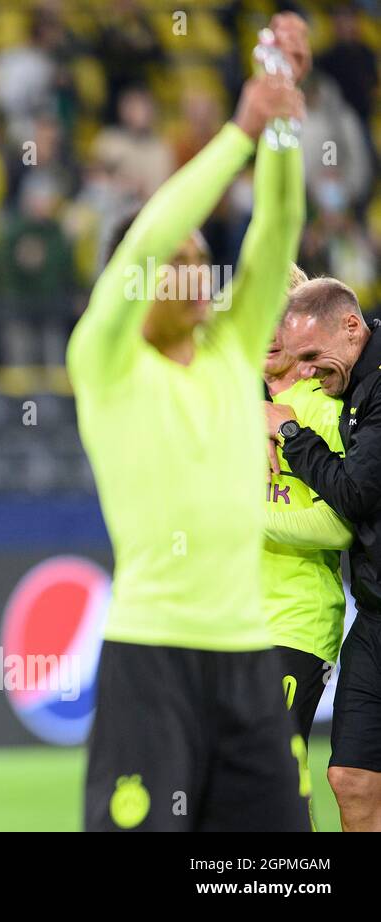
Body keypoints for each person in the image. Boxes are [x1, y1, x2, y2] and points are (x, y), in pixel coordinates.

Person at [69, 14, 310, 831]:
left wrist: (279, 123)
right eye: (182, 261)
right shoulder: (104, 358)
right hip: (151, 660)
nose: (197, 269)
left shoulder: (230, 354)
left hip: (247, 658)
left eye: (205, 256)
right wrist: (237, 135)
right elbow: (149, 235)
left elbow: (277, 234)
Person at [271, 276, 381, 831]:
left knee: (273, 771)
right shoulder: (229, 406)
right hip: (225, 618)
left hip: (294, 620)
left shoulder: (330, 405)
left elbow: (349, 508)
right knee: (349, 778)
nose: (308, 367)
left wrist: (288, 432)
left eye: (312, 355)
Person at [260, 266, 348, 776]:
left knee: (271, 781)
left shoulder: (322, 414)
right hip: (234, 625)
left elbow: (341, 524)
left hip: (294, 623)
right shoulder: (241, 411)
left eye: (284, 319)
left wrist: (249, 516)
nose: (270, 333)